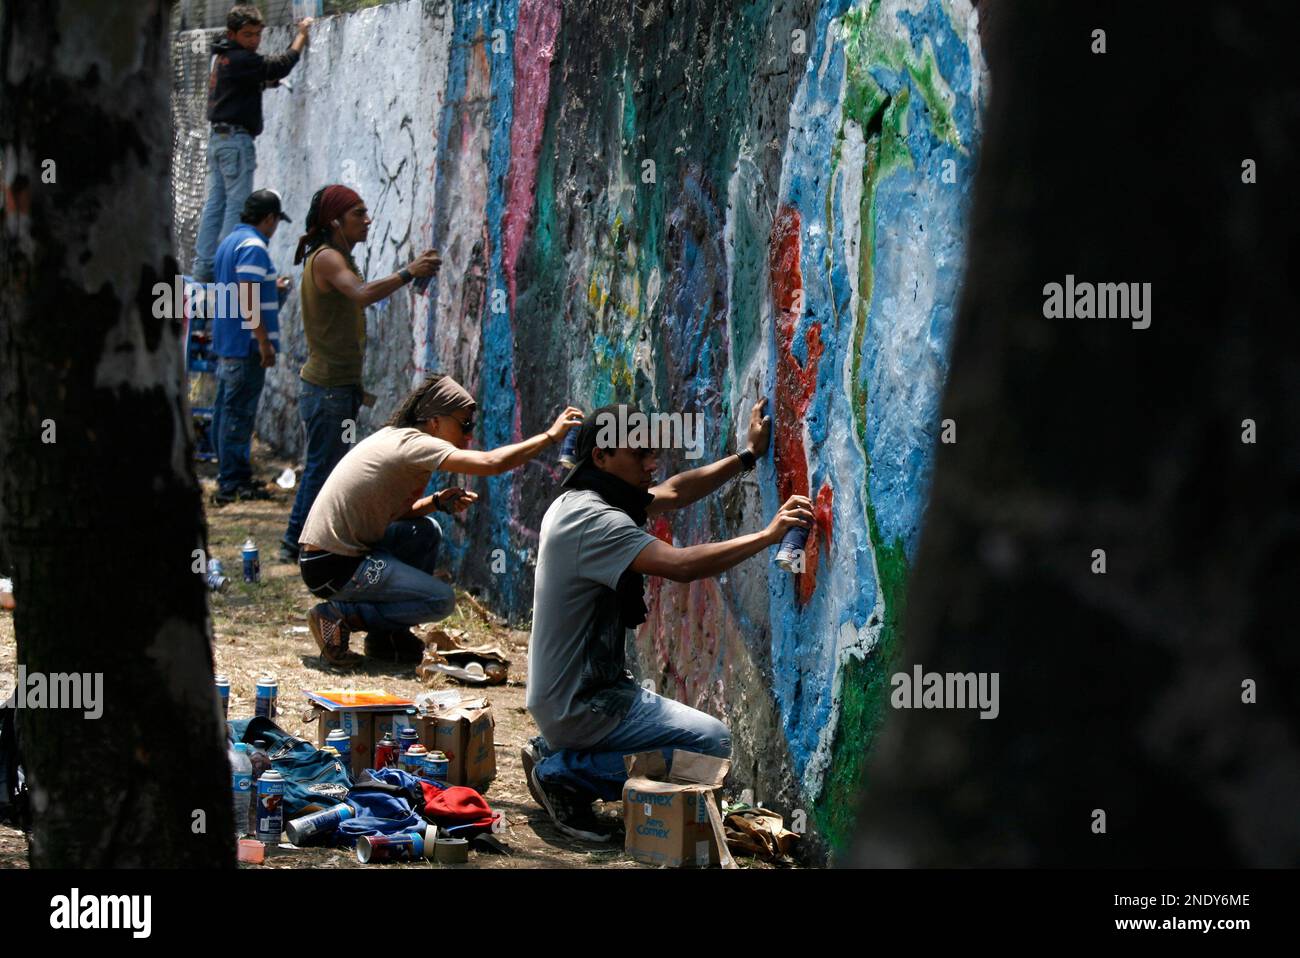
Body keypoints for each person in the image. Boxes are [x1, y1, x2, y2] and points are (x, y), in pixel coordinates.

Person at [522, 397, 813, 842]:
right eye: (639, 452)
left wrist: (747, 456)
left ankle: (562, 749)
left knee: (694, 740)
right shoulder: (595, 520)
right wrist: (768, 535)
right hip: (581, 704)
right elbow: (680, 565)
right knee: (711, 744)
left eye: (652, 450)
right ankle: (567, 770)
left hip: (567, 696)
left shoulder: (581, 499)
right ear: (601, 455)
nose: (651, 462)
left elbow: (675, 492)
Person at [298, 373, 583, 668]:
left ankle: (387, 638)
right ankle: (339, 614)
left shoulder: (399, 438)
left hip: (328, 557)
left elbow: (396, 512)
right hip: (333, 566)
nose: (468, 436)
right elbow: (491, 463)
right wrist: (551, 436)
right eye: (464, 425)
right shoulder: (417, 444)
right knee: (440, 600)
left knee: (424, 531)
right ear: (435, 421)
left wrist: (436, 502)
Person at [279, 184, 442, 564]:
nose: (367, 220)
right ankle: (295, 543)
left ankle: (299, 540)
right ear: (335, 221)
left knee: (326, 465)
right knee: (323, 468)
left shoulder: (337, 257)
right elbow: (363, 293)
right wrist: (408, 272)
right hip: (328, 389)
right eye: (358, 214)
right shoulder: (326, 259)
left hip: (337, 388)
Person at [191, 6, 312, 283]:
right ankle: (228, 272)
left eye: (258, 35)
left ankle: (204, 271)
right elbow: (280, 64)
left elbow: (248, 83)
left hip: (219, 140)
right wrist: (301, 35)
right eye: (248, 35)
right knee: (236, 207)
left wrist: (269, 83)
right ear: (232, 33)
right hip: (235, 142)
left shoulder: (223, 56)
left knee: (216, 204)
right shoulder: (241, 58)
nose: (254, 41)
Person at [208, 189, 292, 506]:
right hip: (246, 346)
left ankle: (230, 475)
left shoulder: (230, 242)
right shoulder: (255, 247)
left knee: (225, 411)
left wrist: (274, 287)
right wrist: (263, 342)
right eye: (275, 222)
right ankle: (232, 482)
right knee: (238, 416)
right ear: (269, 218)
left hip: (229, 341)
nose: (274, 229)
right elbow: (247, 299)